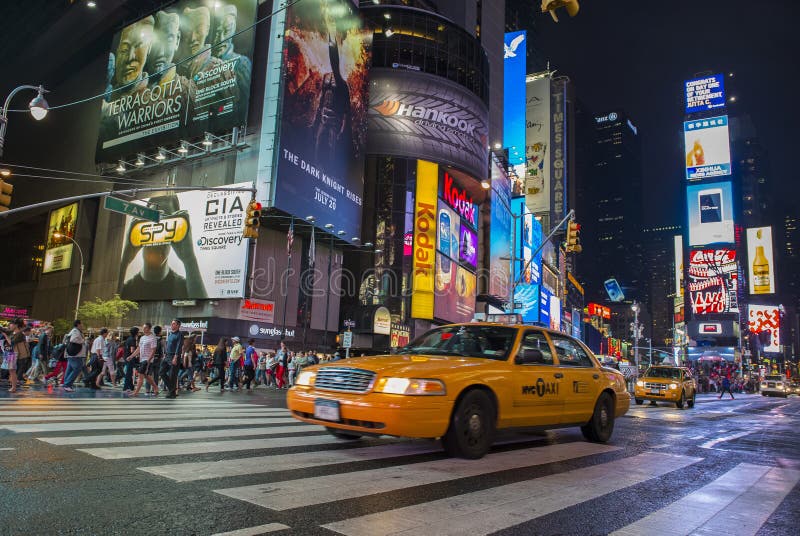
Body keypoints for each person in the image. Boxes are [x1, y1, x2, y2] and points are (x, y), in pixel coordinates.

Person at [129, 323, 159, 397]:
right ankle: (155, 387)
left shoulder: (152, 338)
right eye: (143, 328)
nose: (143, 329)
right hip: (142, 359)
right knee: (146, 376)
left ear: (149, 328)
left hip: (147, 359)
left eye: (145, 328)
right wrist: (131, 356)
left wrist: (149, 360)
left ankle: (136, 392)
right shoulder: (142, 338)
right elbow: (139, 349)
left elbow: (153, 350)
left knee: (140, 375)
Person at [62, 320, 87, 393]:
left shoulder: (74, 331)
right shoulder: (76, 331)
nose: (82, 325)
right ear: (78, 324)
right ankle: (67, 385)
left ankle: (66, 384)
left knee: (69, 369)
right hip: (75, 354)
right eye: (81, 324)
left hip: (72, 354)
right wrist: (82, 341)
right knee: (78, 368)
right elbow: (73, 339)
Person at [161, 319, 184, 399]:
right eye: (171, 324)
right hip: (167, 356)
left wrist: (175, 357)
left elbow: (179, 346)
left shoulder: (180, 334)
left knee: (172, 376)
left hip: (174, 356)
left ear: (178, 325)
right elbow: (168, 345)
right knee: (162, 372)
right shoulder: (170, 334)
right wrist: (165, 354)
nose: (172, 325)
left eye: (173, 324)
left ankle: (171, 393)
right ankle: (172, 390)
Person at [122, 327, 139, 393]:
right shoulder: (133, 340)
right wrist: (137, 354)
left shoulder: (128, 339)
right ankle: (125, 387)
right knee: (129, 373)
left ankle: (131, 387)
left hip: (126, 357)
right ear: (136, 333)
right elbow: (132, 350)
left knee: (129, 372)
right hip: (130, 358)